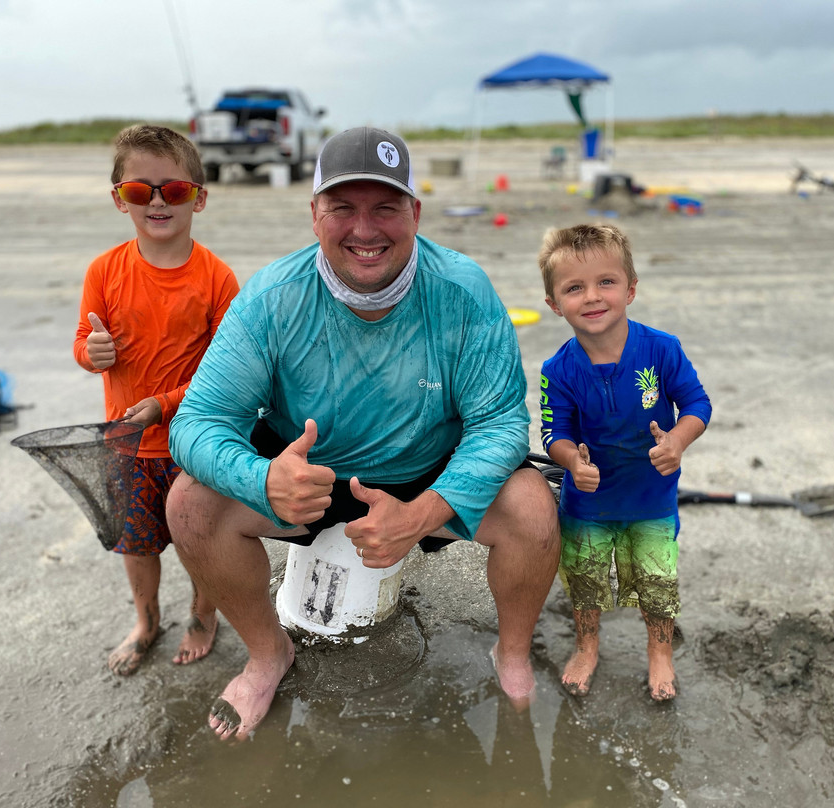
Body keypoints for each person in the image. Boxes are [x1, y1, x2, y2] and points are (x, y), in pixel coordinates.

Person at [166, 126, 559, 740]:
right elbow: (196, 424)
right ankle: (269, 655)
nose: (365, 229)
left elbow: (502, 423)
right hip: (310, 481)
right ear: (314, 214)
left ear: (416, 212)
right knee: (189, 504)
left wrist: (427, 510)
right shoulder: (271, 297)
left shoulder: (462, 290)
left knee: (534, 509)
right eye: (343, 207)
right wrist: (262, 477)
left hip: (427, 473)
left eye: (385, 207)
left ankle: (511, 652)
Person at [73, 124, 240, 676]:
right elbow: (83, 343)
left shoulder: (217, 279)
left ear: (200, 196)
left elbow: (229, 375)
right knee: (136, 545)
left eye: (175, 189)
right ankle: (145, 621)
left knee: (199, 539)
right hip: (126, 442)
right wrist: (92, 352)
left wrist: (163, 405)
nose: (159, 202)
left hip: (194, 443)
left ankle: (202, 614)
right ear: (121, 200)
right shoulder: (103, 271)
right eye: (142, 191)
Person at [537, 223, 711, 701]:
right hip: (587, 503)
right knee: (587, 580)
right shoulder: (558, 370)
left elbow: (698, 404)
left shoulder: (661, 349)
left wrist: (676, 440)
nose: (592, 297)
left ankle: (660, 653)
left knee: (656, 581)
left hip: (651, 498)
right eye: (575, 288)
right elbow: (554, 432)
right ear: (555, 304)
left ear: (630, 289)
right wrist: (572, 461)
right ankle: (587, 646)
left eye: (606, 282)